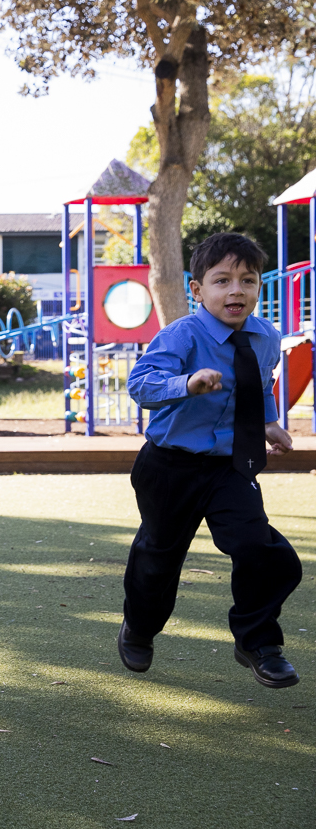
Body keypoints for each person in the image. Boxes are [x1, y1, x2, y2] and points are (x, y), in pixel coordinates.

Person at [121, 231, 301, 689]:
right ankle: (139, 629)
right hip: (169, 466)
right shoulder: (182, 334)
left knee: (264, 551)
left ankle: (259, 642)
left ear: (260, 287)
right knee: (158, 558)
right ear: (198, 290)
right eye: (222, 280)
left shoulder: (266, 337)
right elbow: (142, 385)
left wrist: (269, 422)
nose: (236, 290)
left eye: (247, 280)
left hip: (229, 466)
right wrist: (186, 383)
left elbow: (258, 386)